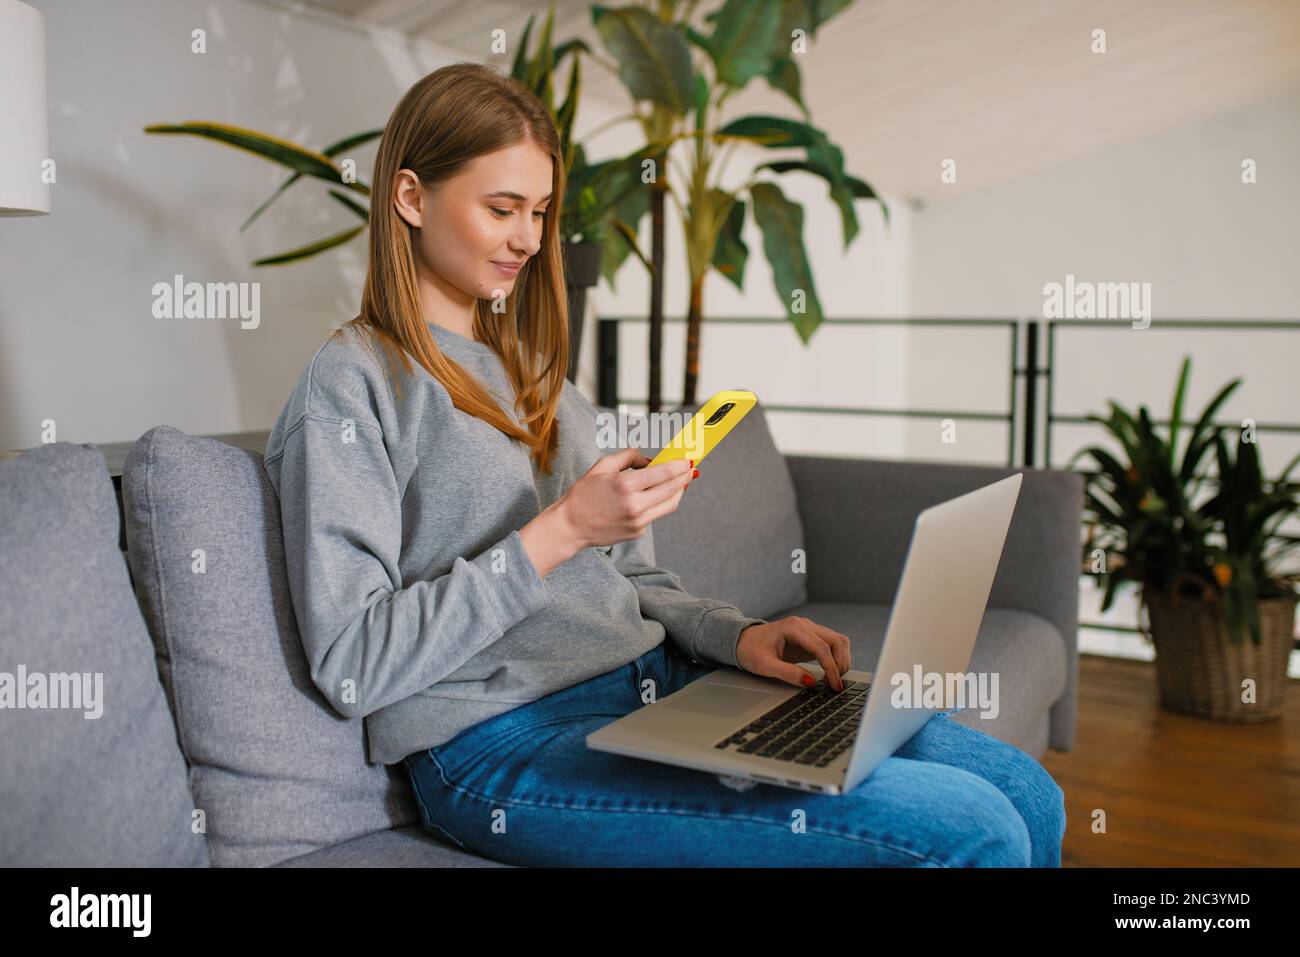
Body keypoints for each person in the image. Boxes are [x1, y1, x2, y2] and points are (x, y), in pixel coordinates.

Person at [264, 62, 1066, 868]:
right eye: (502, 208)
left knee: (1029, 794)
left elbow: (630, 580)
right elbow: (354, 665)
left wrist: (738, 634)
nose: (530, 239)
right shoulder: (352, 385)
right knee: (975, 829)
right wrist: (561, 530)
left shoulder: (539, 375)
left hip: (662, 683)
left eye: (539, 211)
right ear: (410, 197)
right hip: (501, 741)